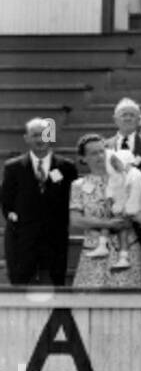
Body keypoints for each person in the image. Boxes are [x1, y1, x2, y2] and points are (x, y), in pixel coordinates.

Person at [3, 117, 77, 285]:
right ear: (26, 138)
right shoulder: (13, 168)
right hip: (23, 241)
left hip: (55, 240)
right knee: (20, 285)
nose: (40, 139)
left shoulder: (66, 167)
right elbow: (7, 203)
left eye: (44, 134)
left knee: (55, 285)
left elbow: (71, 200)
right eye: (35, 135)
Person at [68, 135, 141, 288]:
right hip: (93, 251)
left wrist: (128, 217)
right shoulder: (78, 185)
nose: (100, 156)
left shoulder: (124, 177)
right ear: (83, 158)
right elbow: (76, 219)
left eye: (102, 151)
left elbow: (138, 210)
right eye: (93, 153)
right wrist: (107, 223)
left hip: (126, 249)